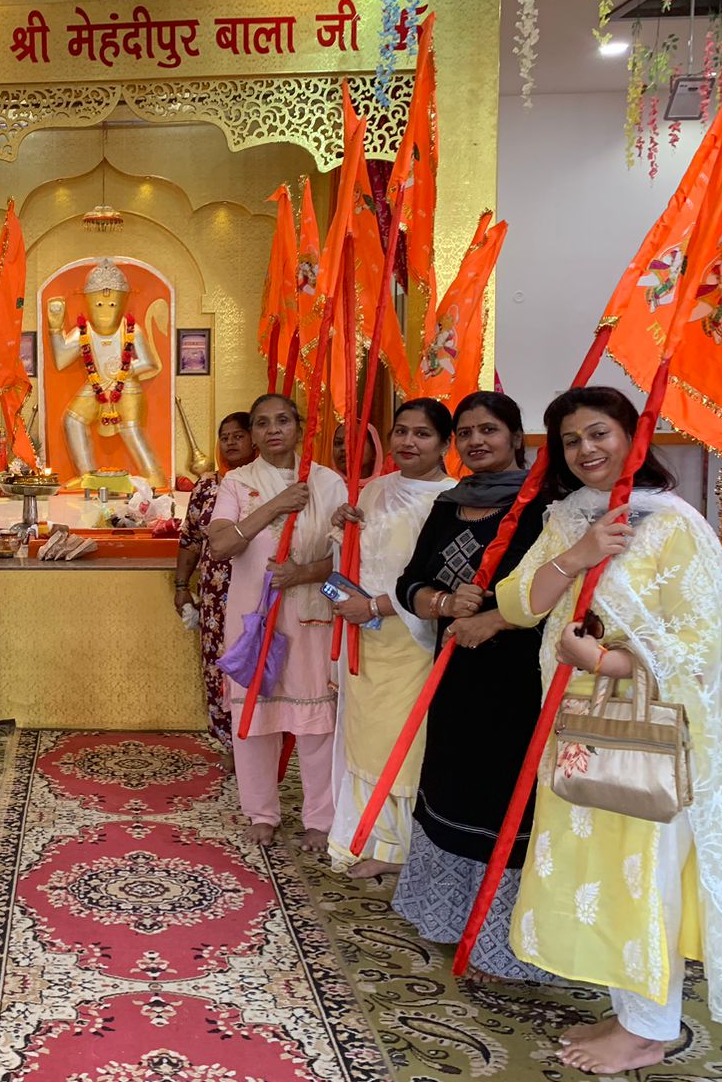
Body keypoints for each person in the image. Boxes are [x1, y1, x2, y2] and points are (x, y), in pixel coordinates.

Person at [494, 387, 722, 1074]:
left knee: (644, 872)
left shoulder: (672, 524)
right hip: (576, 727)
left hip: (649, 731)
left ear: (633, 436)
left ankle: (650, 1031)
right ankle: (632, 1011)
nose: (586, 450)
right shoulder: (570, 518)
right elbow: (521, 604)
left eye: (600, 433)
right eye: (570, 440)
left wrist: (604, 659)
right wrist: (579, 553)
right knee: (597, 873)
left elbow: (699, 644)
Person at [390, 392, 553, 983]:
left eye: (489, 430)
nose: (476, 441)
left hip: (517, 679)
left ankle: (503, 940)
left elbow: (558, 590)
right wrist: (439, 600)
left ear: (516, 436)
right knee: (452, 783)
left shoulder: (545, 506)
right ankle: (450, 917)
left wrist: (495, 612)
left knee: (505, 798)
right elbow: (412, 579)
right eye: (465, 433)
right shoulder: (449, 504)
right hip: (455, 668)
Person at [207, 393, 347, 849]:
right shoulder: (237, 482)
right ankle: (261, 813)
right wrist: (275, 506)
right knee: (254, 718)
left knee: (316, 723)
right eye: (262, 423)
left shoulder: (329, 483)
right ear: (253, 434)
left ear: (299, 426)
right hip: (254, 618)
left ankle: (320, 820)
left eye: (282, 420)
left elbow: (344, 558)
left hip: (312, 613)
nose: (273, 430)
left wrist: (303, 573)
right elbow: (222, 545)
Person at [325, 399, 456, 879]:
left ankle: (400, 847)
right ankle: (364, 835)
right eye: (401, 431)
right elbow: (355, 561)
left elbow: (439, 579)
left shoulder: (451, 498)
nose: (407, 442)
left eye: (422, 434)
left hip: (414, 639)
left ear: (445, 443)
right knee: (364, 740)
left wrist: (376, 606)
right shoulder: (373, 490)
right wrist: (341, 532)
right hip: (365, 638)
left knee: (403, 742)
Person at [174, 411, 256, 753]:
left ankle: (256, 742)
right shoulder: (207, 486)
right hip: (214, 595)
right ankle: (228, 742)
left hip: (256, 592)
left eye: (239, 435)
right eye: (225, 437)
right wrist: (181, 587)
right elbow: (191, 539)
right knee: (216, 665)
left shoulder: (266, 484)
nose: (231, 442)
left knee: (253, 663)